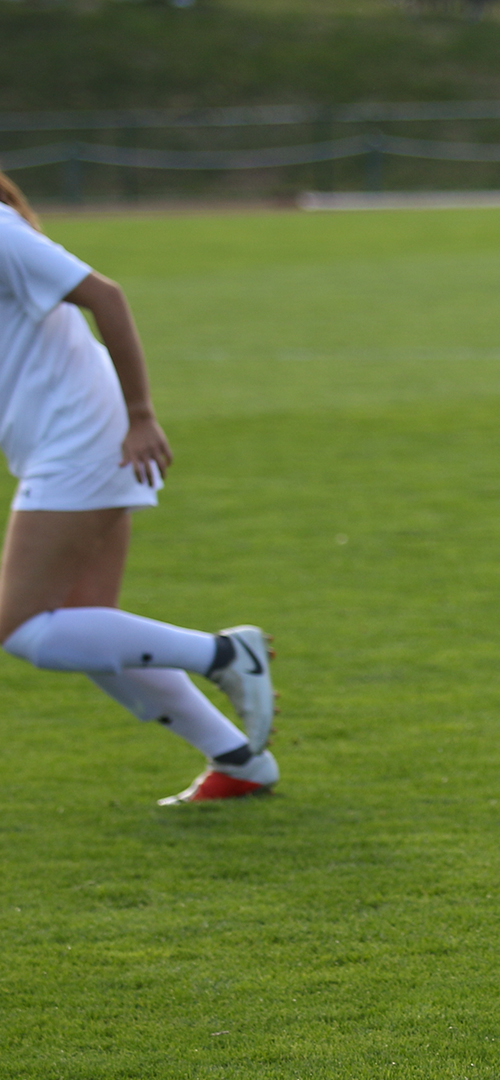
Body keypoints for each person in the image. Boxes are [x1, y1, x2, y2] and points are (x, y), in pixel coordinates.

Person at [0, 169, 279, 805]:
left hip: (82, 439)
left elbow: (106, 296)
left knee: (22, 628)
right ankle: (238, 760)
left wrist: (141, 415)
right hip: (68, 439)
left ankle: (224, 655)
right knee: (85, 627)